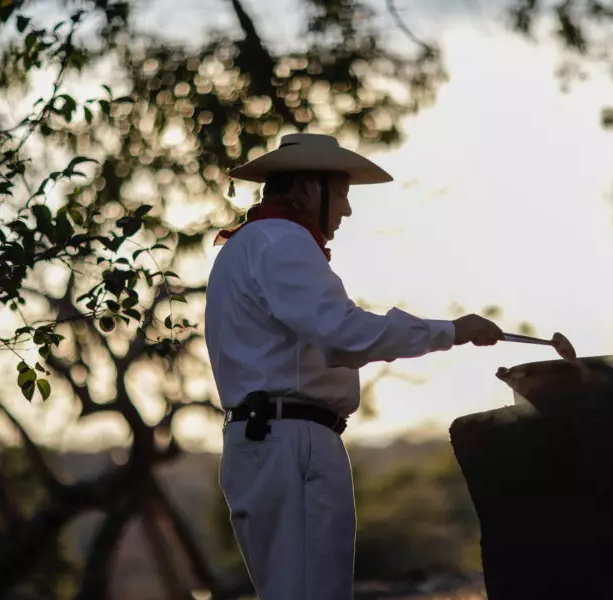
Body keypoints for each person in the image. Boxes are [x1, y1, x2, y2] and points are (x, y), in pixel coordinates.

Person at [204, 133, 503, 600]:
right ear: (306, 189)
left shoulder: (245, 246)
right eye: (341, 193)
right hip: (292, 442)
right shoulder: (283, 241)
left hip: (263, 439)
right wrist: (451, 330)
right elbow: (343, 333)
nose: (346, 210)